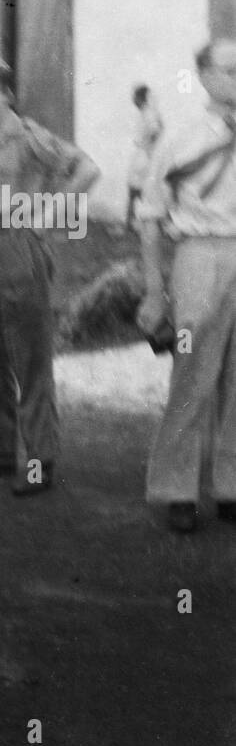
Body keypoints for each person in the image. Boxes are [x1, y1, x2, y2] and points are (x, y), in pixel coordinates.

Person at [0, 62, 100, 495]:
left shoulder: (29, 137)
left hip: (20, 251)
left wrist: (47, 215)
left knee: (31, 363)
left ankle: (40, 463)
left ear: (9, 98)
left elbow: (87, 169)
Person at [135, 39, 236, 532]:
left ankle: (232, 485)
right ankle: (177, 489)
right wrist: (155, 291)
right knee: (193, 372)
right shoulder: (180, 137)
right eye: (232, 70)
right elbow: (151, 215)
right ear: (205, 77)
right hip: (200, 256)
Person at [127, 84, 164, 235]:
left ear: (140, 98)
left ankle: (135, 222)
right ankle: (133, 222)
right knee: (136, 189)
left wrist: (149, 149)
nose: (133, 100)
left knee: (138, 189)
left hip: (145, 155)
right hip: (143, 154)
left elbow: (155, 131)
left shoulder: (148, 112)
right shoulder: (145, 112)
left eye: (135, 97)